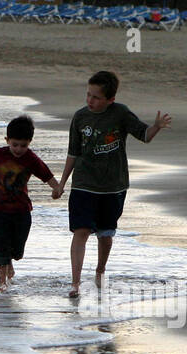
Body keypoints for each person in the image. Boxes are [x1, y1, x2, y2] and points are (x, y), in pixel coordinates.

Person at [58, 70, 172, 298]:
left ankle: (100, 270)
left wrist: (157, 126)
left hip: (113, 186)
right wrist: (62, 183)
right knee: (80, 231)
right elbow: (73, 152)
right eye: (88, 95)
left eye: (96, 97)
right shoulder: (80, 117)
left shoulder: (120, 114)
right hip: (83, 184)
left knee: (105, 233)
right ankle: (75, 283)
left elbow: (144, 135)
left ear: (110, 99)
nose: (90, 101)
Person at [0, 115, 63, 293]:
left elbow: (46, 174)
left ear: (29, 142)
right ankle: (2, 284)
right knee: (0, 248)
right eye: (15, 144)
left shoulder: (30, 159)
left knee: (16, 250)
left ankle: (9, 261)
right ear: (7, 140)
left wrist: (57, 188)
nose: (19, 149)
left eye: (23, 145)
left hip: (21, 211)